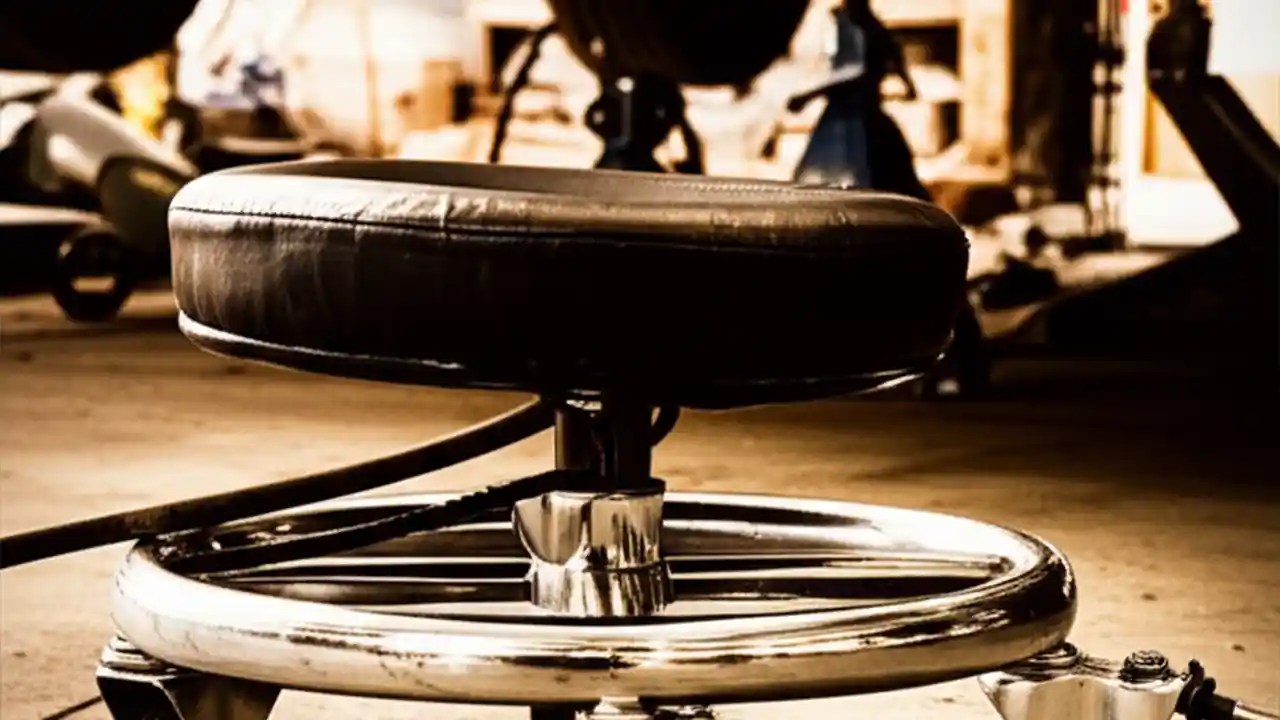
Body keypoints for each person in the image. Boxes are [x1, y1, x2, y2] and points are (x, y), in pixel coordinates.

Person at [788, 0, 927, 199]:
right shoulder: (870, 31)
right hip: (852, 117)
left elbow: (854, 76)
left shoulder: (864, 32)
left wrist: (809, 96)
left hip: (857, 124)